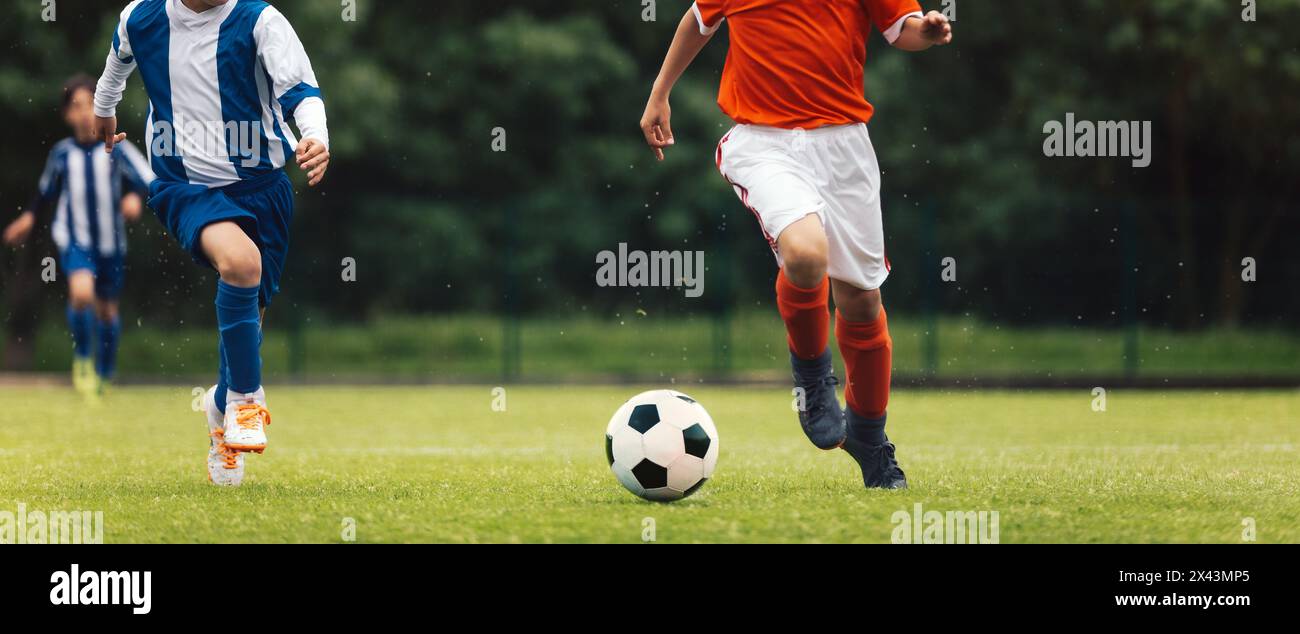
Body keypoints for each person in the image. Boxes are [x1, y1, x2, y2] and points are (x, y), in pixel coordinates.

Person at [640, 1, 952, 488]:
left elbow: (901, 31)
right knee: (806, 255)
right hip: (765, 145)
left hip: (844, 148)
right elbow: (698, 21)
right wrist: (660, 92)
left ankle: (870, 438)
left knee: (862, 301)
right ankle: (812, 380)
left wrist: (927, 30)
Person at [93, 0, 331, 486]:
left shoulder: (260, 20)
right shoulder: (141, 18)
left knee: (250, 329)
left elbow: (299, 88)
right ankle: (245, 401)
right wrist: (103, 109)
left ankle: (221, 409)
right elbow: (117, 60)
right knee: (242, 265)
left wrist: (315, 134)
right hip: (186, 187)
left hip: (264, 190)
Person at [3, 74, 154, 396]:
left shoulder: (116, 147)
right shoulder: (61, 154)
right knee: (82, 294)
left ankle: (105, 371)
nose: (85, 112)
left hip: (111, 242)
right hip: (75, 238)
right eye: (77, 106)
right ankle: (83, 357)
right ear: (67, 115)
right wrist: (28, 218)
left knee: (107, 311)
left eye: (90, 104)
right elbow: (45, 194)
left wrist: (133, 198)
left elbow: (145, 178)